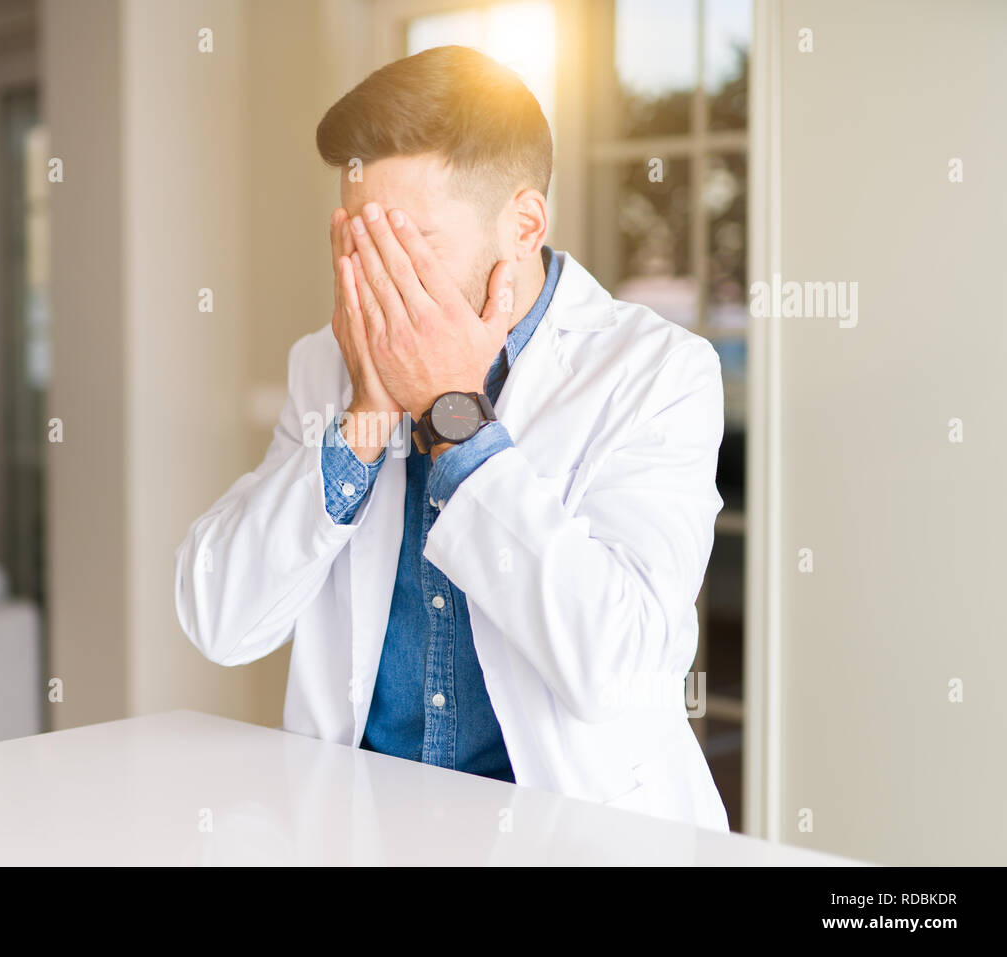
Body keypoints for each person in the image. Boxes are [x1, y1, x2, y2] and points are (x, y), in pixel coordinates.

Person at [175, 45, 729, 831]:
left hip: (567, 834)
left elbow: (617, 668)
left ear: (524, 223)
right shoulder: (326, 365)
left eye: (412, 245)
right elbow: (220, 618)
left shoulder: (660, 373)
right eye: (360, 245)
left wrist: (451, 411)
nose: (379, 278)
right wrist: (365, 416)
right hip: (362, 828)